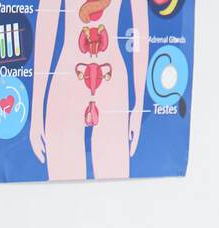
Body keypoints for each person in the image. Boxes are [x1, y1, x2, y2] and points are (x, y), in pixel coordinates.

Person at [29, 0, 149, 180]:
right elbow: (47, 18)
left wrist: (139, 105)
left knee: (114, 191)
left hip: (111, 83)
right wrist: (36, 111)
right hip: (68, 81)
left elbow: (140, 27)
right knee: (61, 192)